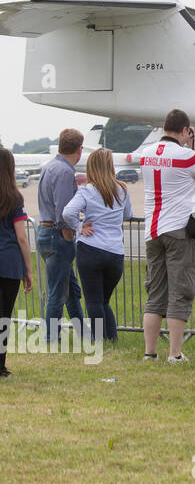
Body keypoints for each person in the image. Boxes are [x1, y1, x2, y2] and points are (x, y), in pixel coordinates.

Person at [141, 109, 195, 364]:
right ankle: (175, 353)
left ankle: (149, 352)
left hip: (152, 230)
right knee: (180, 291)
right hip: (178, 230)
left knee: (155, 294)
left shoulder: (147, 154)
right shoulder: (186, 156)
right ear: (185, 131)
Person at [60, 148, 132, 343]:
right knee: (104, 299)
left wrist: (79, 226)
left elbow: (68, 212)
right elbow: (127, 215)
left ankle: (99, 339)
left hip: (90, 248)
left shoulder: (87, 191)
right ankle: (112, 337)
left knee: (93, 300)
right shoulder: (122, 189)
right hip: (115, 251)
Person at [36, 128, 86, 343]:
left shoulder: (49, 166)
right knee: (57, 292)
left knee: (71, 289)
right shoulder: (65, 172)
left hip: (45, 232)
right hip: (58, 235)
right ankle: (51, 338)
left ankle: (84, 334)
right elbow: (65, 211)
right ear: (79, 149)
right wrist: (69, 234)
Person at [0, 148, 34, 377]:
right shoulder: (14, 197)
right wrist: (28, 270)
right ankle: (0, 365)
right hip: (9, 262)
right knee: (4, 317)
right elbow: (21, 237)